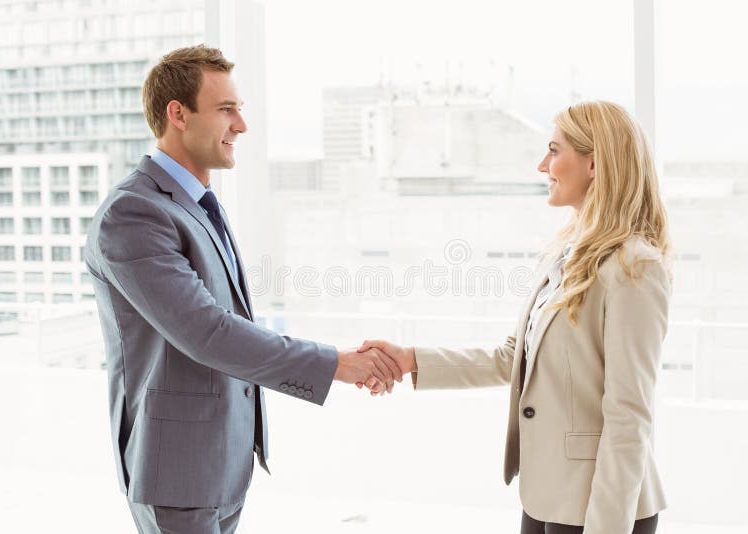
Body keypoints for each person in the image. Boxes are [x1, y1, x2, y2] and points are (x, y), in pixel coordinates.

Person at [85, 45, 398, 534]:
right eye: (226, 110)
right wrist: (338, 363)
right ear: (178, 114)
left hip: (222, 464)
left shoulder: (198, 204)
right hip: (178, 476)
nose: (241, 126)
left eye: (240, 110)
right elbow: (209, 332)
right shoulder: (134, 214)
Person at [360, 101, 671, 534]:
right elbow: (514, 357)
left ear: (595, 164)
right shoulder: (564, 254)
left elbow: (629, 414)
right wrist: (412, 359)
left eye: (554, 150)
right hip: (546, 495)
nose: (543, 164)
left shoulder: (635, 268)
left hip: (602, 508)